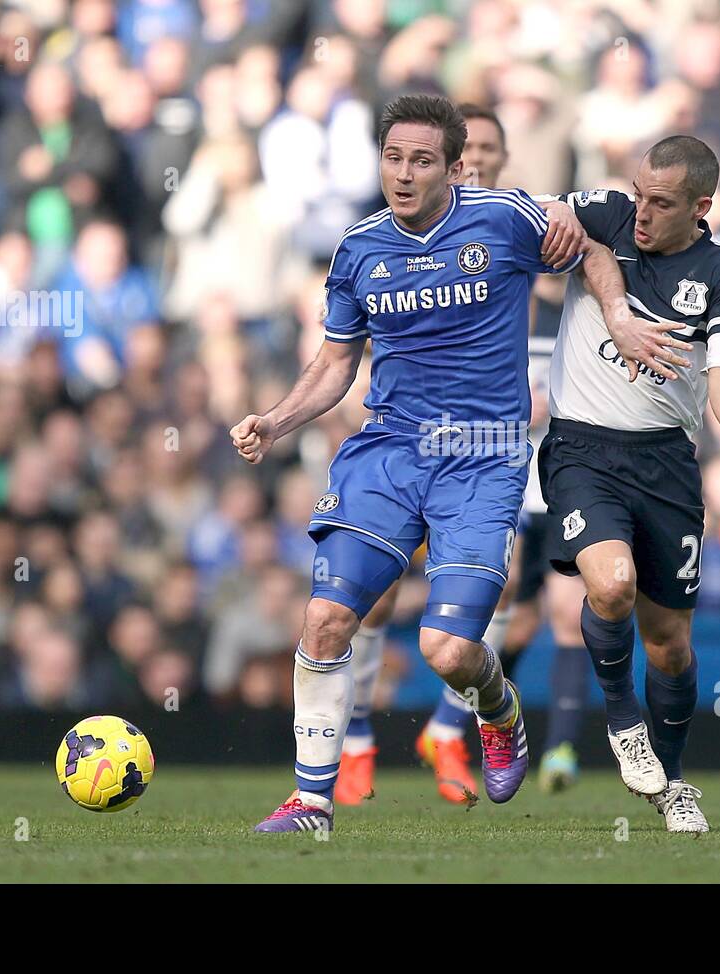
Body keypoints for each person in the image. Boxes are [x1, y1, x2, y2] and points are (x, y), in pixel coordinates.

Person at [230, 95, 683, 832]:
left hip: (482, 460)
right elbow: (338, 358)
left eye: (421, 160)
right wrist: (277, 420)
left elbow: (595, 252)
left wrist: (621, 317)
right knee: (324, 620)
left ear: (453, 166)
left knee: (447, 650)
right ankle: (311, 802)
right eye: (392, 158)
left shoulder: (503, 220)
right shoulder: (359, 248)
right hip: (388, 450)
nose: (403, 174)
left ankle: (497, 708)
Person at [334, 104, 590, 806]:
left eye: (485, 149)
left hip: (519, 459)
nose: (472, 159)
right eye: (464, 147)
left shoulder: (522, 234)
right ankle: (356, 737)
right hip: (414, 449)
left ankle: (456, 724)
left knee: (517, 602)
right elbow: (349, 349)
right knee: (376, 593)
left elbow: (591, 245)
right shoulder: (387, 241)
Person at [538, 136, 720, 833]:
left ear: (700, 207)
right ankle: (622, 721)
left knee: (669, 644)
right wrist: (554, 215)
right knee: (609, 584)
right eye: (640, 193)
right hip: (582, 448)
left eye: (660, 203)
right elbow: (537, 212)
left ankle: (673, 781)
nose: (642, 212)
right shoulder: (606, 213)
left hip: (666, 461)